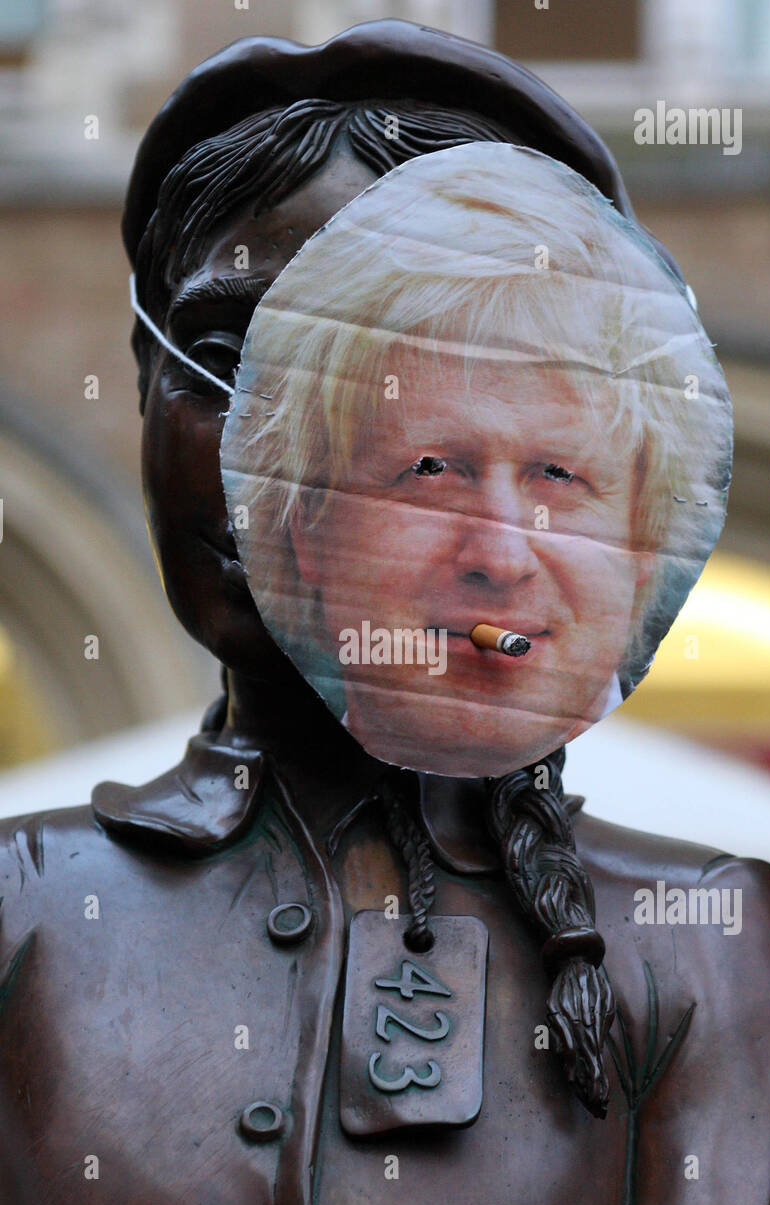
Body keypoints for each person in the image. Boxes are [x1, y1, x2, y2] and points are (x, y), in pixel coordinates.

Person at [0, 21, 770, 1205]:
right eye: (230, 358)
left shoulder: (705, 950)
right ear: (144, 377)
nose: (277, 453)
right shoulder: (18, 909)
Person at [222, 141, 729, 778]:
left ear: (645, 544)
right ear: (306, 528)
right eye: (431, 470)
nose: (501, 558)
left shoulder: (725, 878)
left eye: (558, 475)